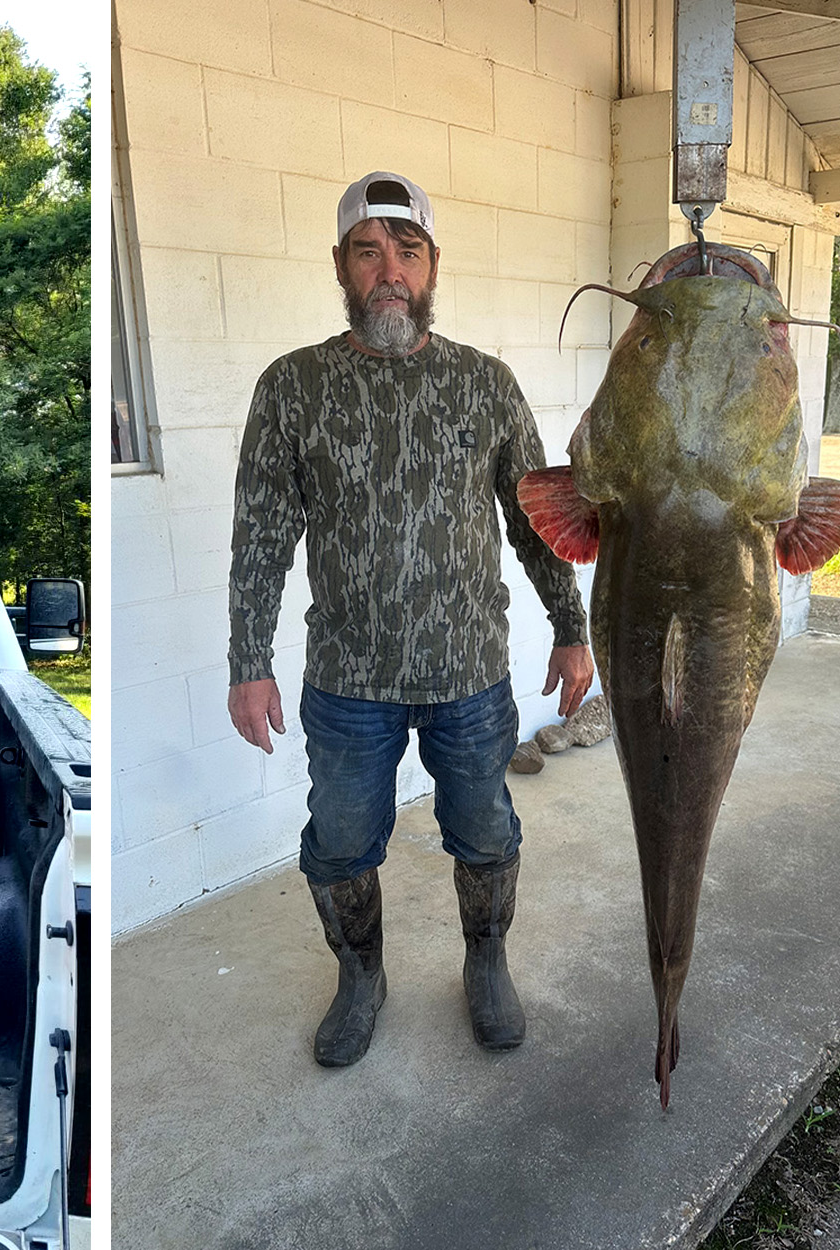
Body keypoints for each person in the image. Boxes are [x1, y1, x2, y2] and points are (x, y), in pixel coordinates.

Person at [226, 171, 596, 1069]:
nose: (389, 269)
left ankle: (487, 959)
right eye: (368, 251)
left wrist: (573, 628)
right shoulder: (293, 387)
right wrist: (248, 659)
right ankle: (361, 977)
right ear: (343, 269)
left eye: (407, 251)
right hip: (348, 681)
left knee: (486, 830)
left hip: (468, 673)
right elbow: (262, 533)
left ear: (431, 268)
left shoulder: (485, 384)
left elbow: (536, 519)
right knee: (342, 844)